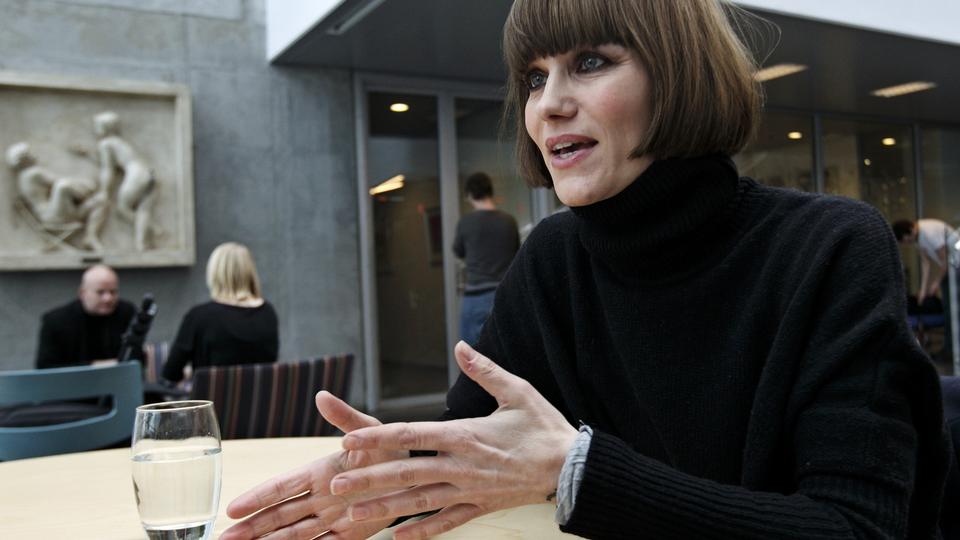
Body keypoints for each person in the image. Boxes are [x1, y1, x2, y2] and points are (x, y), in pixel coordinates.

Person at [222, 1, 949, 539]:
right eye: (534, 78)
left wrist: (576, 471)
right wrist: (382, 474)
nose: (550, 105)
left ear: (679, 75)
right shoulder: (554, 257)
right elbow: (480, 443)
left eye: (591, 63)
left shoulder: (830, 247)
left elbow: (857, 527)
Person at [162, 242, 278, 383]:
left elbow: (170, 374)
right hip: (259, 396)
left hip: (213, 397)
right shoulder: (268, 313)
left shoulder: (199, 316)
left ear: (214, 274)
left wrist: (190, 373)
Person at [452, 172, 520, 345]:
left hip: (475, 297)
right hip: (504, 297)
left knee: (471, 355)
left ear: (469, 195)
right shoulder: (509, 221)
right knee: (506, 352)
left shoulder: (466, 223)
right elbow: (516, 254)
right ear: (490, 191)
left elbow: (458, 251)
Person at [6, 141, 107, 251]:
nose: (32, 155)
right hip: (53, 217)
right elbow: (57, 181)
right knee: (62, 186)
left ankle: (90, 238)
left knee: (100, 200)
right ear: (24, 160)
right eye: (28, 153)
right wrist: (86, 185)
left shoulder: (23, 177)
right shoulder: (33, 173)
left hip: (58, 216)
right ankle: (86, 193)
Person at [35, 264, 135, 369]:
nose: (108, 298)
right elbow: (45, 368)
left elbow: (135, 355)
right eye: (100, 292)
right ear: (82, 293)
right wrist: (97, 366)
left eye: (113, 292)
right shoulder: (56, 321)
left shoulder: (126, 312)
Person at [894, 218, 959, 361]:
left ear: (910, 231)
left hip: (956, 267)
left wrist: (935, 283)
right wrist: (923, 290)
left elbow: (945, 260)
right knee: (948, 309)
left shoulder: (928, 232)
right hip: (952, 268)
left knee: (952, 310)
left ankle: (951, 351)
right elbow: (926, 263)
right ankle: (950, 349)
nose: (906, 243)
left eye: (905, 240)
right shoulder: (918, 238)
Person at [94, 111, 158, 251]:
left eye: (97, 125)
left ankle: (155, 231)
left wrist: (104, 191)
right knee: (143, 210)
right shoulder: (119, 142)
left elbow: (108, 170)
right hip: (148, 173)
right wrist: (87, 154)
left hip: (136, 175)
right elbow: (118, 163)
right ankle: (142, 245)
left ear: (105, 127)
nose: (95, 129)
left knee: (122, 209)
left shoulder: (105, 143)